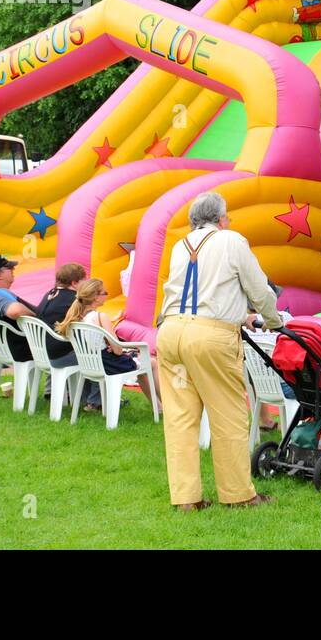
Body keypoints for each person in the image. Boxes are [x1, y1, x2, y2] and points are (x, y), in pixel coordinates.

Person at [156, 191, 282, 512]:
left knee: (181, 420)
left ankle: (187, 498)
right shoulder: (231, 241)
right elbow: (259, 289)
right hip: (211, 336)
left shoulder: (179, 247)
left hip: (170, 333)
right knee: (229, 415)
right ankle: (238, 494)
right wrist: (273, 320)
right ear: (222, 219)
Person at [57, 278, 159, 412]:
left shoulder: (76, 318)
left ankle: (158, 406)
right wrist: (114, 347)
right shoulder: (100, 317)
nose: (107, 295)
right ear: (95, 297)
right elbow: (118, 350)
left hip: (89, 365)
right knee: (151, 363)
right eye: (104, 292)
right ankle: (163, 404)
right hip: (109, 365)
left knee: (143, 363)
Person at [36, 262, 100, 407]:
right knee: (96, 355)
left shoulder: (49, 294)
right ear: (75, 283)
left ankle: (63, 393)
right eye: (84, 280)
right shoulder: (74, 300)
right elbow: (88, 329)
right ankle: (96, 401)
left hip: (44, 351)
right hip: (61, 354)